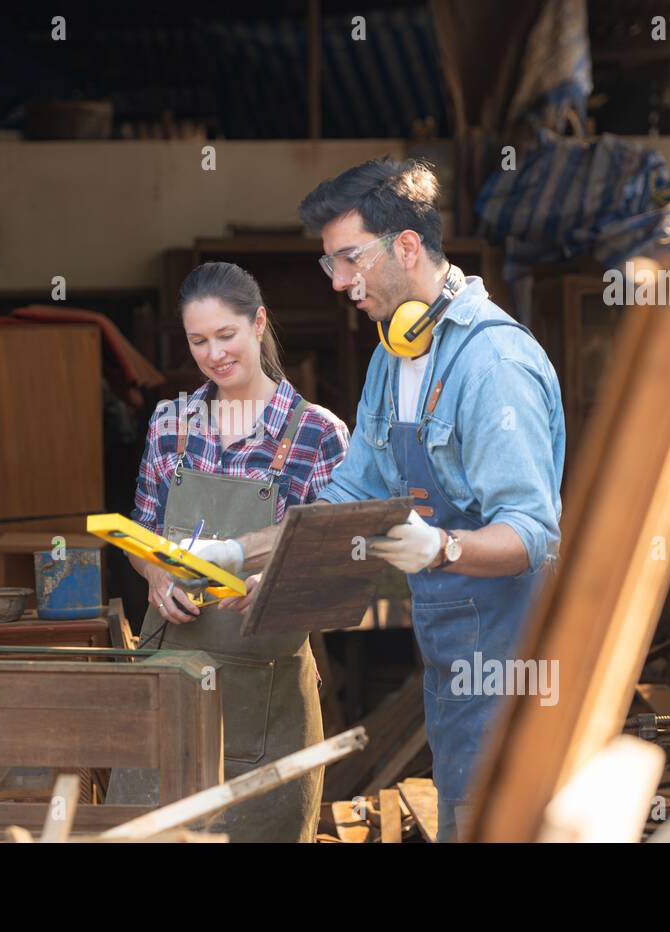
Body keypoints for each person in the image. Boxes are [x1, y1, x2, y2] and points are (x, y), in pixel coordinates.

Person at [188, 158, 566, 841]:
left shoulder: (493, 365)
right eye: (329, 264)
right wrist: (243, 555)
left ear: (409, 246)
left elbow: (533, 534)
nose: (338, 282)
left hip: (522, 670)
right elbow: (345, 498)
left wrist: (443, 547)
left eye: (348, 259)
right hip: (454, 660)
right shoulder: (394, 360)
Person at [109, 261, 349, 842]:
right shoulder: (171, 422)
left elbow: (345, 569)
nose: (213, 354)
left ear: (258, 323)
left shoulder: (319, 435)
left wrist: (280, 592)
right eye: (198, 341)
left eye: (226, 336)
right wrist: (154, 575)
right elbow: (141, 534)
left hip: (267, 702)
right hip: (170, 681)